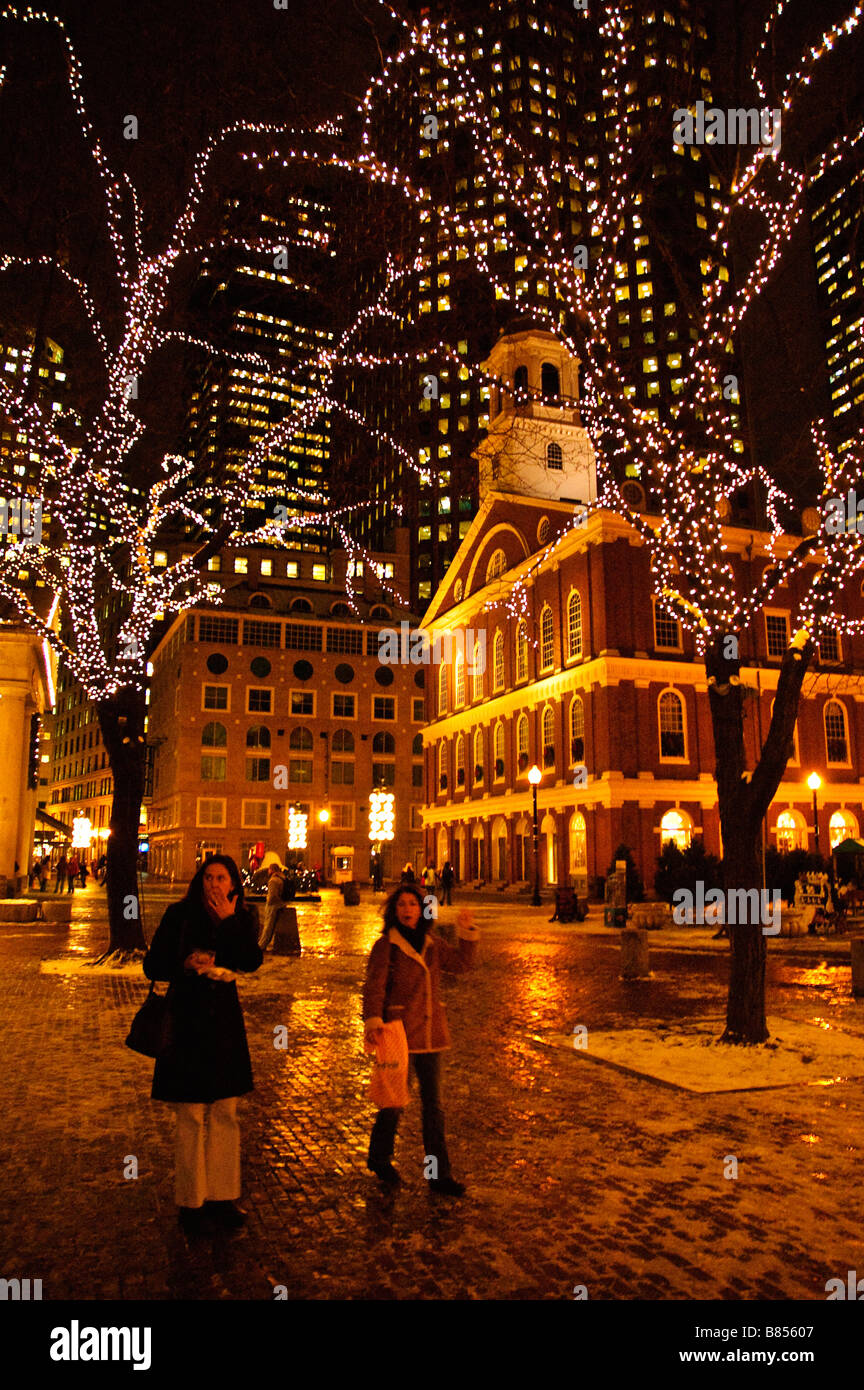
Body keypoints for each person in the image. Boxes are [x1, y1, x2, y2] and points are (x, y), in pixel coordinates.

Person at [142, 854, 263, 1235]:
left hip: (224, 1023)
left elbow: (250, 960)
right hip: (187, 1022)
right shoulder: (179, 915)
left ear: (233, 884)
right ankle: (190, 1201)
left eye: (222, 877)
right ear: (200, 881)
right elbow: (153, 965)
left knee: (226, 1112)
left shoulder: (242, 917)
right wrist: (185, 962)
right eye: (208, 877)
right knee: (191, 1115)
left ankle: (224, 1197)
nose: (214, 884)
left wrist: (228, 921)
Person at [362, 884, 479, 1196]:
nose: (407, 909)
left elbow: (462, 965)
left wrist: (467, 934)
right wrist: (373, 1019)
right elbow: (374, 986)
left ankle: (439, 1176)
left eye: (413, 904)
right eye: (401, 904)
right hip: (399, 1034)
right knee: (394, 1101)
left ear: (422, 909)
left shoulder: (432, 943)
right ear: (394, 911)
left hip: (431, 1035)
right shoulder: (386, 946)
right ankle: (379, 1157)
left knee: (433, 1106)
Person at [258, 863, 286, 951]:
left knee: (268, 927)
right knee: (270, 927)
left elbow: (272, 895)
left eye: (269, 869)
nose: (268, 871)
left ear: (272, 870)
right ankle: (263, 944)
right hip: (280, 904)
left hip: (273, 906)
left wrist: (268, 903)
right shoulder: (282, 878)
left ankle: (261, 946)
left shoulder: (273, 880)